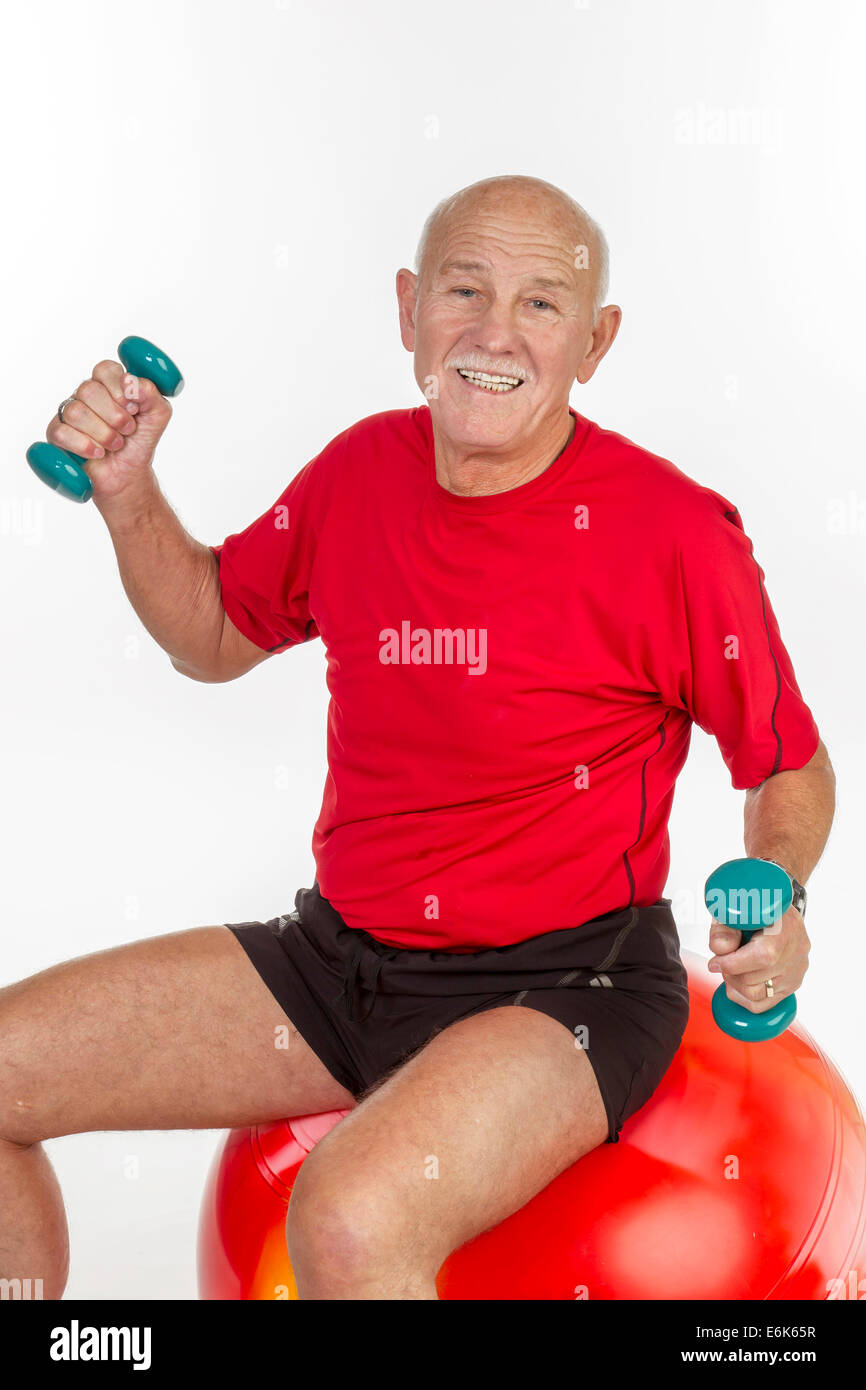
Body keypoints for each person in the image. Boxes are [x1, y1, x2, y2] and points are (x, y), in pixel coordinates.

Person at [2, 175, 834, 1300]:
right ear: (407, 312)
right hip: (337, 960)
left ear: (595, 343)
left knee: (344, 1215)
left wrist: (778, 887)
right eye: (463, 288)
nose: (494, 331)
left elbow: (785, 758)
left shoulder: (674, 533)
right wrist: (126, 490)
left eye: (541, 304)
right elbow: (210, 632)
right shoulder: (360, 472)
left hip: (567, 988)